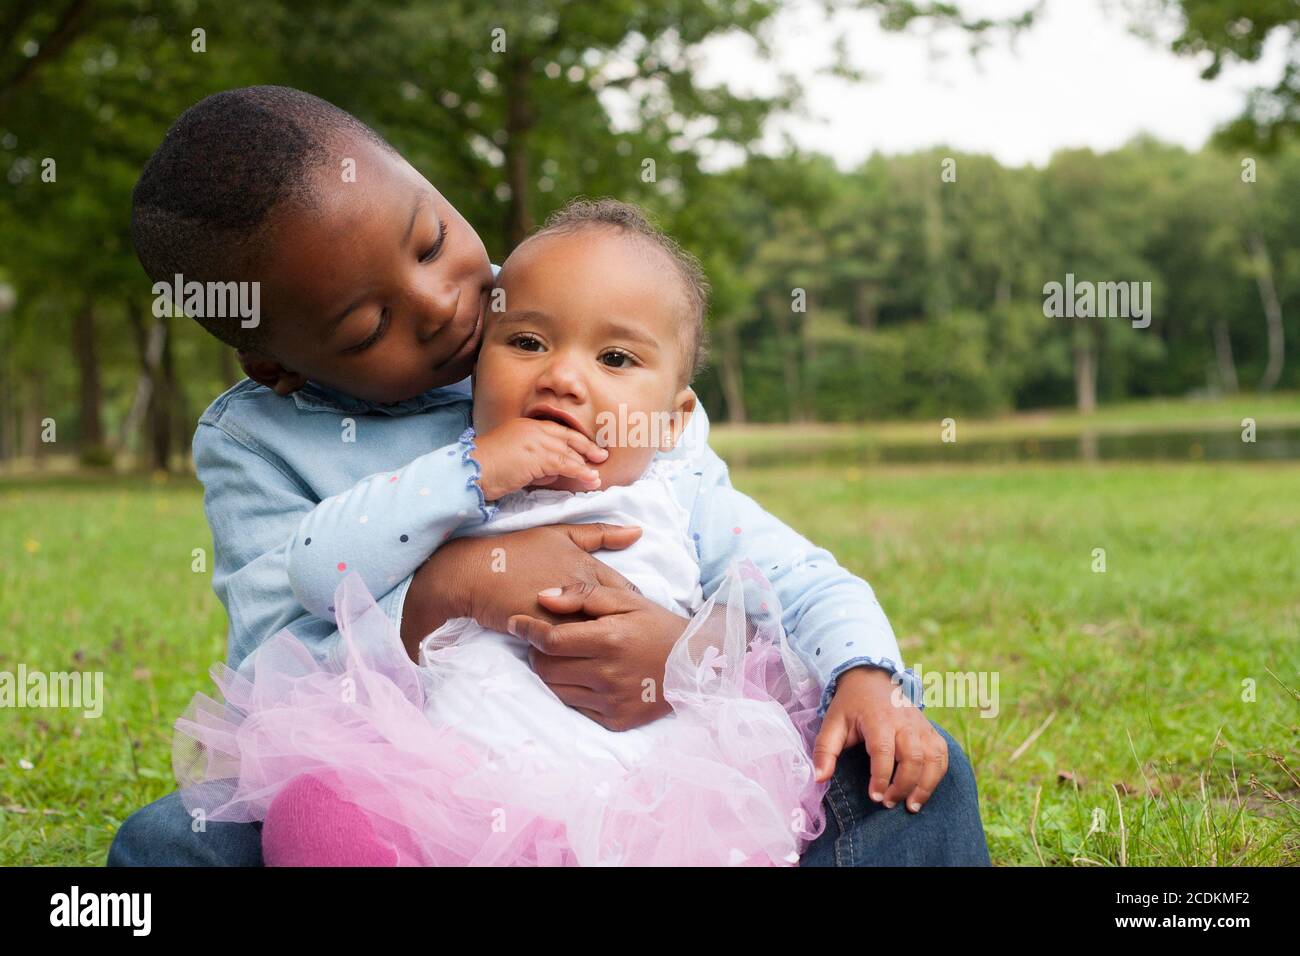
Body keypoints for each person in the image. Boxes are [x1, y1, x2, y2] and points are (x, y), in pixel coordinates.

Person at [110, 86, 990, 866]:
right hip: (421, 780)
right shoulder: (262, 442)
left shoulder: (581, 312)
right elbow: (278, 677)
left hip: (651, 767)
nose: (442, 305)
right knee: (171, 843)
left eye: (431, 242)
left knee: (907, 772)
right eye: (369, 324)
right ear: (277, 365)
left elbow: (769, 573)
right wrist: (452, 588)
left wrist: (692, 657)